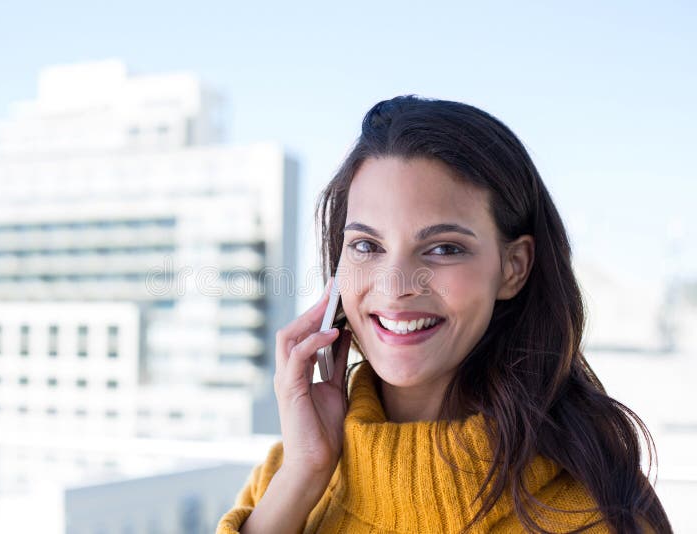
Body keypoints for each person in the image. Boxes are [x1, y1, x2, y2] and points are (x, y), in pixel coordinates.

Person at [216, 96, 672, 533]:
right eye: (366, 246)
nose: (394, 286)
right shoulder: (287, 472)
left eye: (443, 248)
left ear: (513, 267)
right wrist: (305, 473)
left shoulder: (592, 514)